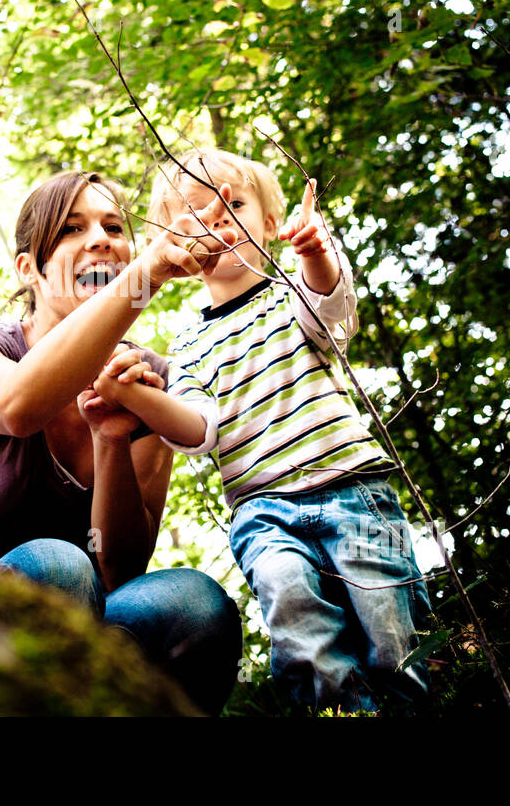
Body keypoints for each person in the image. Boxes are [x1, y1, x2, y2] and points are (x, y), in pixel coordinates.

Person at [91, 147, 431, 713]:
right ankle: (336, 713)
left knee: (390, 630)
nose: (217, 219)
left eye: (234, 204)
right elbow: (198, 430)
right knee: (298, 621)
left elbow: (334, 312)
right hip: (263, 510)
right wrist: (133, 395)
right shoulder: (189, 344)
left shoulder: (293, 295)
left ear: (271, 225)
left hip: (353, 490)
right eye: (196, 212)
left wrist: (317, 253)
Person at [0, 169, 242, 714]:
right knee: (58, 564)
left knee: (196, 602)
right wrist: (149, 270)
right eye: (72, 229)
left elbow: (120, 571)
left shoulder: (149, 381)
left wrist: (111, 438)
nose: (100, 238)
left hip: (88, 629)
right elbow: (17, 406)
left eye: (113, 226)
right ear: (30, 268)